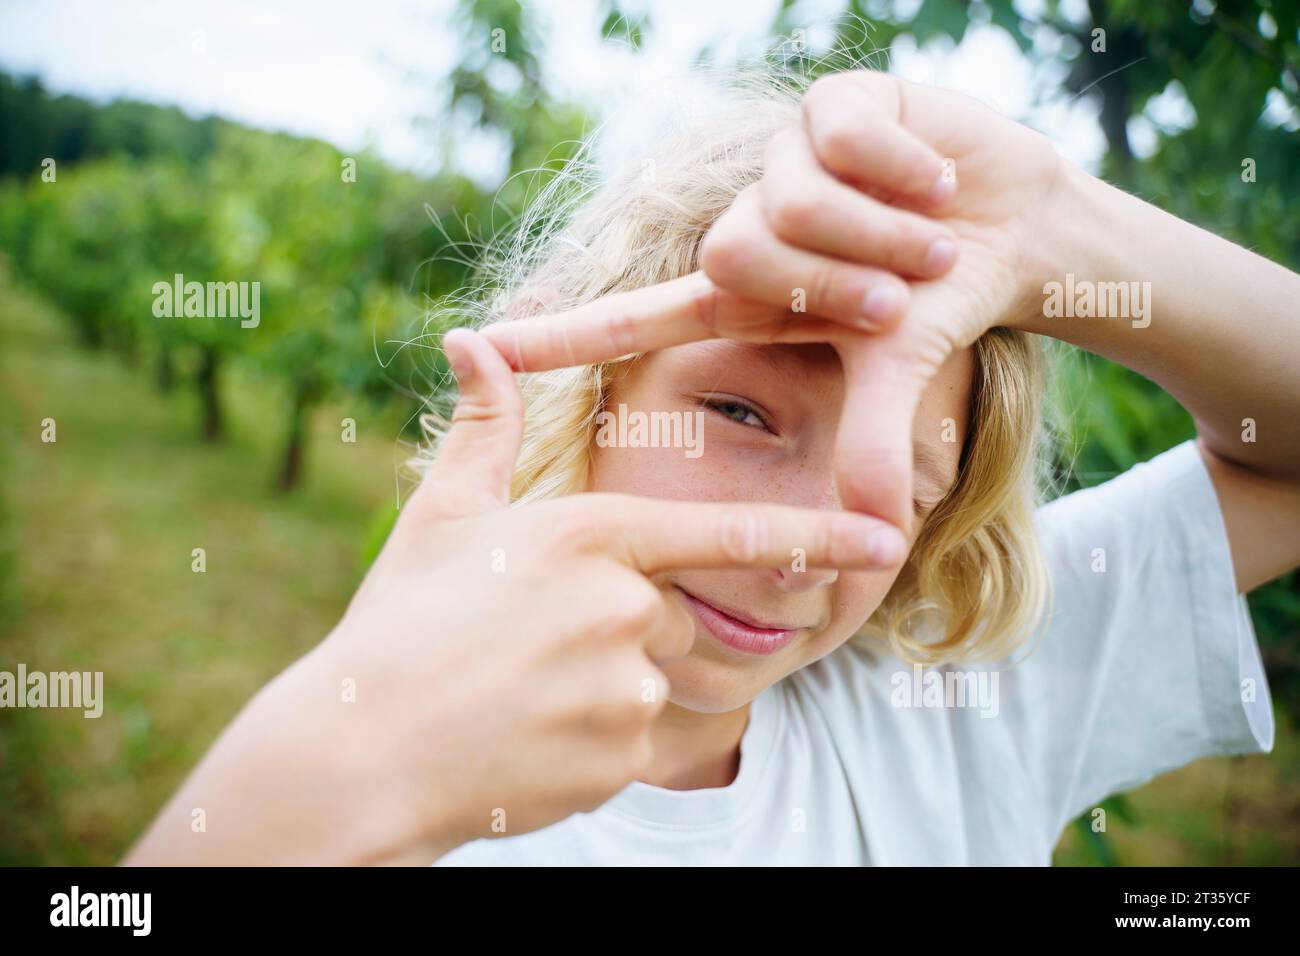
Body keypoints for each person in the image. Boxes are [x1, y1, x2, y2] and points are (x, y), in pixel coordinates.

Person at [127, 64, 1300, 866]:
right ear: (590, 383)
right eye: (738, 411)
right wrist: (344, 760)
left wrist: (1052, 227)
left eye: (901, 472)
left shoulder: (957, 702)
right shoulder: (416, 795)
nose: (798, 546)